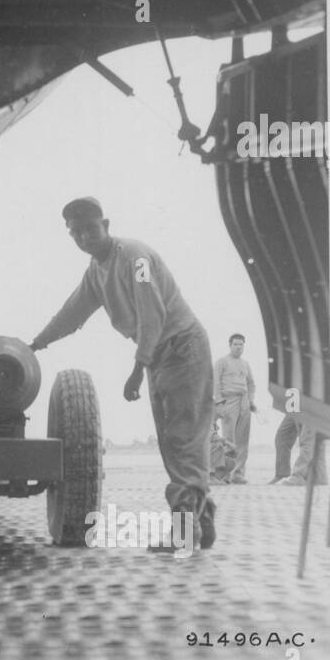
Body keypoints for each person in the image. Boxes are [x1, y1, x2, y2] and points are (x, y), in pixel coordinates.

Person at [28, 197, 216, 551]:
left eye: (90, 229)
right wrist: (37, 343)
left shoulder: (135, 257)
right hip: (161, 356)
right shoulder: (96, 272)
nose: (84, 237)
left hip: (182, 349)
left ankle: (187, 529)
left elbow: (152, 313)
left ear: (107, 225)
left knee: (183, 438)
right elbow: (73, 312)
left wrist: (137, 368)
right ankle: (201, 521)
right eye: (76, 233)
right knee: (174, 441)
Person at [213, 333, 256, 484]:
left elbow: (251, 384)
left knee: (243, 440)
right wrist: (219, 403)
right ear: (230, 345)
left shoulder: (245, 364)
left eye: (241, 344)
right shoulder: (222, 362)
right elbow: (216, 383)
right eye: (236, 344)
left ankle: (238, 474)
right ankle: (225, 475)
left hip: (244, 401)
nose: (238, 347)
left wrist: (251, 401)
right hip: (228, 401)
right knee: (228, 439)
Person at [269, 412, 300, 483]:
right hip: (295, 405)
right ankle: (282, 473)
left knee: (306, 438)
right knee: (282, 436)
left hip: (304, 405)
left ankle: (302, 475)